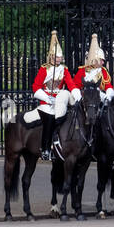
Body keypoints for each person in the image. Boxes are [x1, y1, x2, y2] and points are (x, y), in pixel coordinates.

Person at [32, 30, 77, 162]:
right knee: (50, 120)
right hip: (46, 102)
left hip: (60, 100)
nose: (60, 59)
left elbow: (70, 83)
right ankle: (45, 148)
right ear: (51, 57)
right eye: (57, 57)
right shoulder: (44, 69)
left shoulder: (64, 69)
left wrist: (75, 92)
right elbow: (36, 87)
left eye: (61, 57)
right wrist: (47, 98)